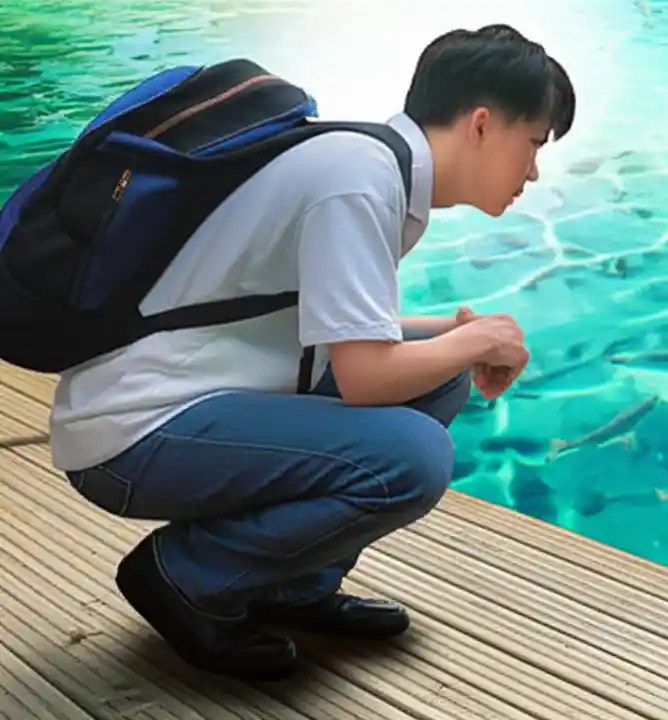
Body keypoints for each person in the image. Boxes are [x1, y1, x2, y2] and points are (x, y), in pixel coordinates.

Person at [47, 24, 575, 681]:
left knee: (440, 376)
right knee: (415, 456)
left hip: (185, 404)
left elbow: (327, 322)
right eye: (532, 144)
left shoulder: (366, 164)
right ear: (481, 123)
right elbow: (364, 378)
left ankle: (289, 588)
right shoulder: (358, 181)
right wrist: (476, 339)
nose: (532, 170)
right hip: (137, 435)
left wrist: (453, 332)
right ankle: (186, 575)